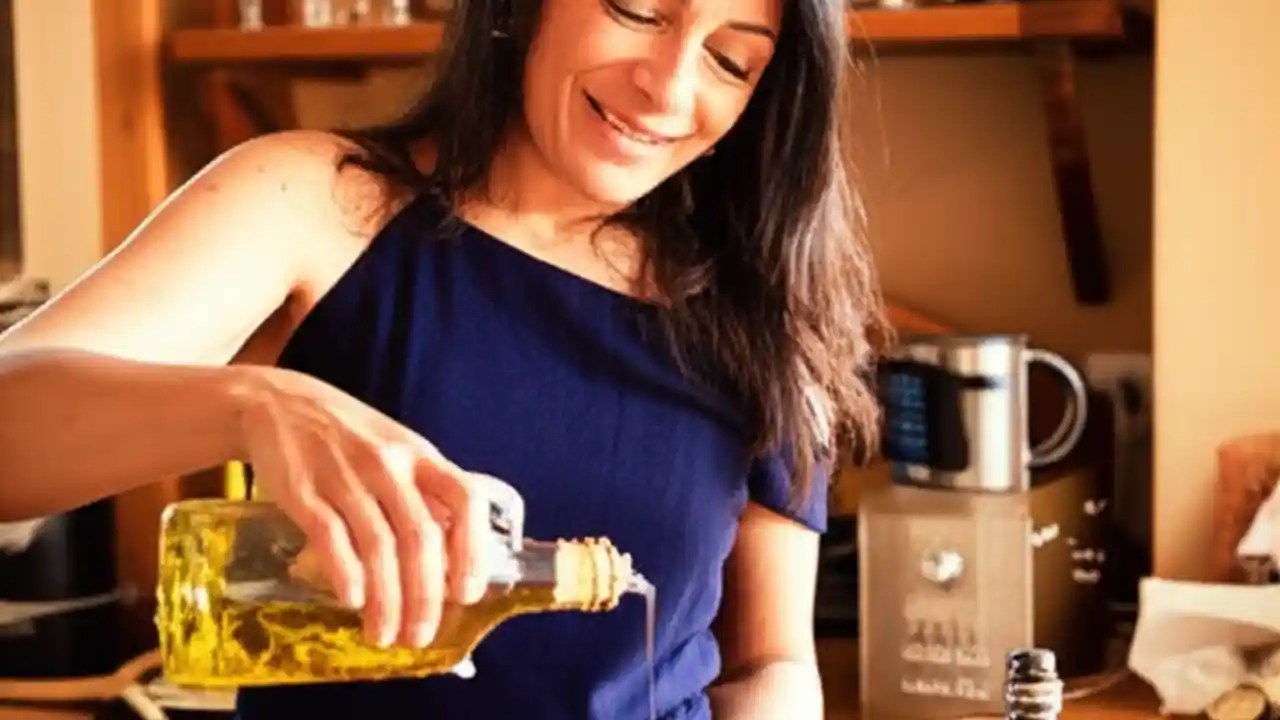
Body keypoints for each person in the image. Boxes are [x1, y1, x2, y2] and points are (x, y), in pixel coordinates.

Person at [0, 0, 888, 717]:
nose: (667, 89)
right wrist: (256, 403)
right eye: (636, 11)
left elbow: (768, 663)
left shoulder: (763, 317)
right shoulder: (320, 207)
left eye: (731, 61)